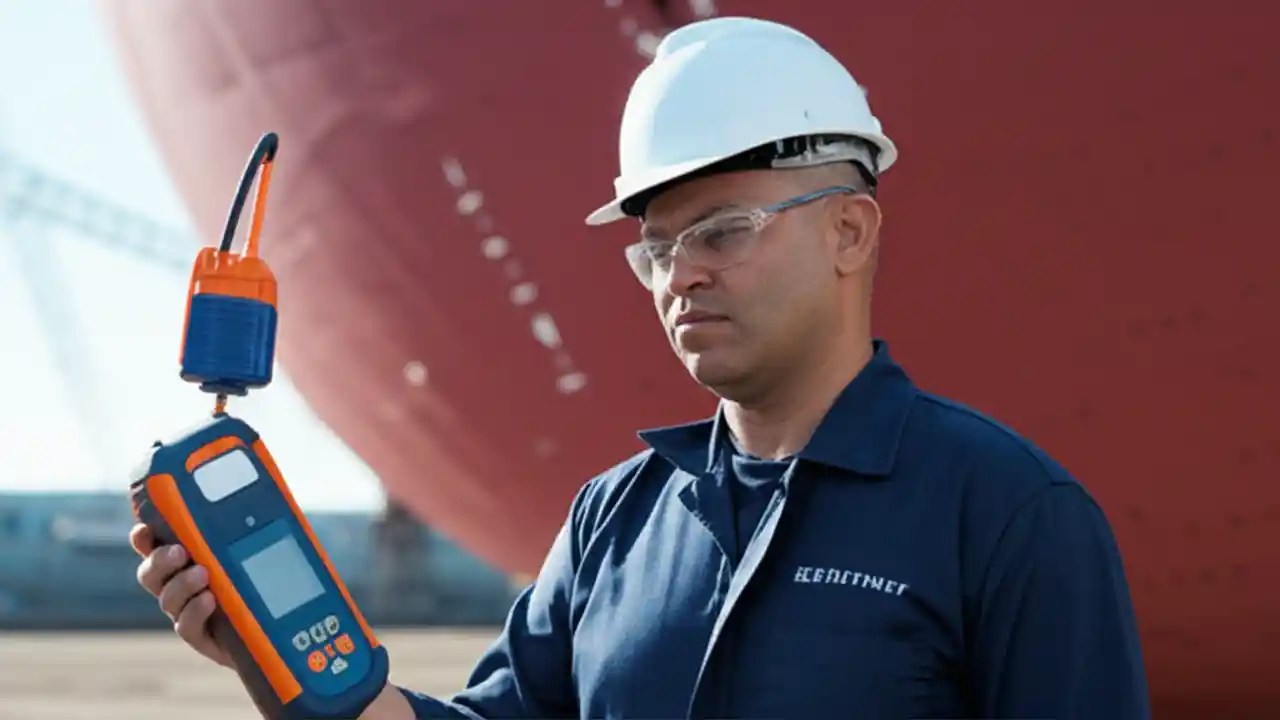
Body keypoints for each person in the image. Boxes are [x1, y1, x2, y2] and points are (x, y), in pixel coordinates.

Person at [131, 15, 1150, 719]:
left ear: (849, 231)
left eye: (722, 230)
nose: (679, 277)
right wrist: (280, 665)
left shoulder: (1008, 515)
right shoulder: (611, 525)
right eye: (657, 247)